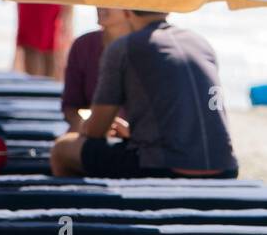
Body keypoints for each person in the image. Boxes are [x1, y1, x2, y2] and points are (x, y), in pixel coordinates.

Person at [50, 11, 237, 179]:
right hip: (225, 167)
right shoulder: (199, 42)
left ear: (127, 11)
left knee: (62, 149)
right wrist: (133, 132)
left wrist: (87, 125)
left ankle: (80, 213)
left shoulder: (123, 47)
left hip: (162, 167)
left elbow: (95, 131)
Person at [61, 7, 131, 131]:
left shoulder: (150, 49)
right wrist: (84, 125)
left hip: (138, 140)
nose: (100, 5)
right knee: (62, 147)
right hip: (92, 135)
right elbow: (70, 106)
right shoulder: (83, 45)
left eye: (110, 1)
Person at [15, 2, 68, 78]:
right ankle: (44, 84)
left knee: (42, 47)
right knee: (40, 46)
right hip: (41, 1)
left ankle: (39, 84)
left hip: (37, 0)